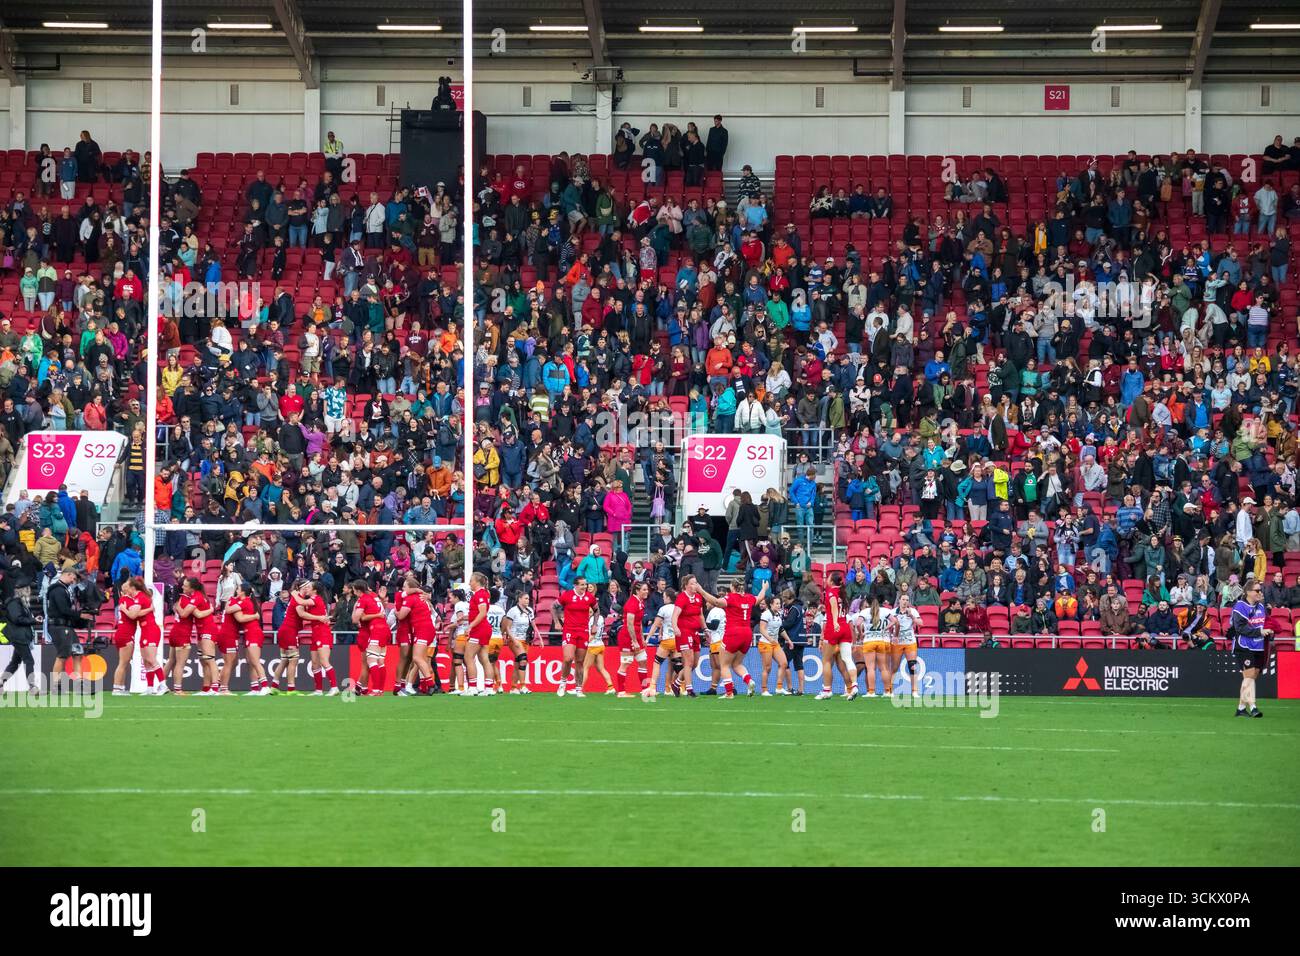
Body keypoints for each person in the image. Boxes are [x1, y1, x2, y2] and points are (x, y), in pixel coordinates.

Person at [1230, 580, 1272, 718]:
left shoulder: (1261, 606)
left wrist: (1270, 631)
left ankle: (1241, 708)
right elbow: (1240, 628)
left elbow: (1265, 623)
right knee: (1248, 677)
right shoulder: (1240, 606)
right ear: (1248, 592)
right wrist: (1259, 632)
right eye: (1257, 590)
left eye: (1260, 590)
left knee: (1252, 677)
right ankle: (1253, 707)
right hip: (1244, 646)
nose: (1260, 593)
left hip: (1258, 646)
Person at [815, 570, 858, 700]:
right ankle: (854, 685)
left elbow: (833, 606)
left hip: (834, 627)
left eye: (828, 577)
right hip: (845, 626)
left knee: (826, 660)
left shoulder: (831, 592)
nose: (826, 579)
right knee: (847, 659)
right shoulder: (843, 593)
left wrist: (834, 622)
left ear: (832, 581)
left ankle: (827, 689)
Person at [556, 576, 597, 698]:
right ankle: (563, 682)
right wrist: (557, 621)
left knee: (580, 661)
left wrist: (594, 625)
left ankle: (578, 688)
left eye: (585, 584)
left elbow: (596, 610)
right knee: (568, 658)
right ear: (575, 585)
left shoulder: (589, 597)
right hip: (569, 630)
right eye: (582, 585)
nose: (584, 587)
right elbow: (554, 607)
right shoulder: (567, 595)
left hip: (583, 631)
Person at [642, 586, 679, 701]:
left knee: (657, 662)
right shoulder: (679, 608)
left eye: (664, 597)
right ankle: (677, 687)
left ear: (668, 597)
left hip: (667, 641)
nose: (663, 599)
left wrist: (648, 637)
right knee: (677, 666)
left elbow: (656, 624)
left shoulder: (664, 609)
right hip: (677, 640)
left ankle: (653, 687)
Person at [461, 572, 494, 696]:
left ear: (477, 582)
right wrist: (466, 618)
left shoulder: (480, 594)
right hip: (483, 629)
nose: (469, 583)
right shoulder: (483, 593)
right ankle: (489, 688)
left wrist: (470, 626)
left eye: (471, 580)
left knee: (468, 657)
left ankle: (473, 687)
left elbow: (482, 613)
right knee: (484, 658)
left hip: (479, 629)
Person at [615, 580, 650, 698]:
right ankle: (621, 692)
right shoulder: (632, 603)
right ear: (637, 591)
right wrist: (634, 641)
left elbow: (638, 623)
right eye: (644, 590)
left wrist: (642, 638)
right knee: (626, 663)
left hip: (636, 637)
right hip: (627, 636)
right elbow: (629, 624)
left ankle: (645, 690)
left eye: (647, 589)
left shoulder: (640, 602)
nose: (647, 592)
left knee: (643, 661)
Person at [1, 586, 39, 694]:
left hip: (21, 636)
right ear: (24, 591)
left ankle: (1, 682)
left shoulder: (20, 604)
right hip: (18, 636)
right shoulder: (15, 603)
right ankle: (32, 686)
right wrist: (33, 620)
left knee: (15, 662)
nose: (30, 593)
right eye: (29, 590)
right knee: (29, 660)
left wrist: (33, 620)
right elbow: (17, 619)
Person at [853, 598, 893, 698]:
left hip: (869, 641)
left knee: (871, 668)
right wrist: (886, 628)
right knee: (884, 668)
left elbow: (857, 623)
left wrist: (861, 633)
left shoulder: (865, 611)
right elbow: (895, 621)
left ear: (868, 603)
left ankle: (871, 692)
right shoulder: (885, 610)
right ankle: (887, 691)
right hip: (881, 641)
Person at [888, 593, 923, 699]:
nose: (905, 601)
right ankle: (890, 690)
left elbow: (921, 623)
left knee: (912, 666)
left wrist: (911, 616)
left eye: (907, 600)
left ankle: (914, 691)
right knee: (894, 667)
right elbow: (888, 625)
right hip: (897, 642)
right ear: (899, 600)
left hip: (910, 641)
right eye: (903, 599)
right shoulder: (893, 612)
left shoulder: (913, 611)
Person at [756, 592, 789, 695]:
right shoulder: (766, 614)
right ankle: (764, 690)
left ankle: (779, 688)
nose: (779, 605)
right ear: (771, 604)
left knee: (784, 663)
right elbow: (762, 629)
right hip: (765, 643)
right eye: (777, 603)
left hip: (774, 643)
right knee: (767, 668)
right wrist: (770, 639)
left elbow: (780, 629)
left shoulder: (779, 614)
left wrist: (789, 640)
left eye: (779, 604)